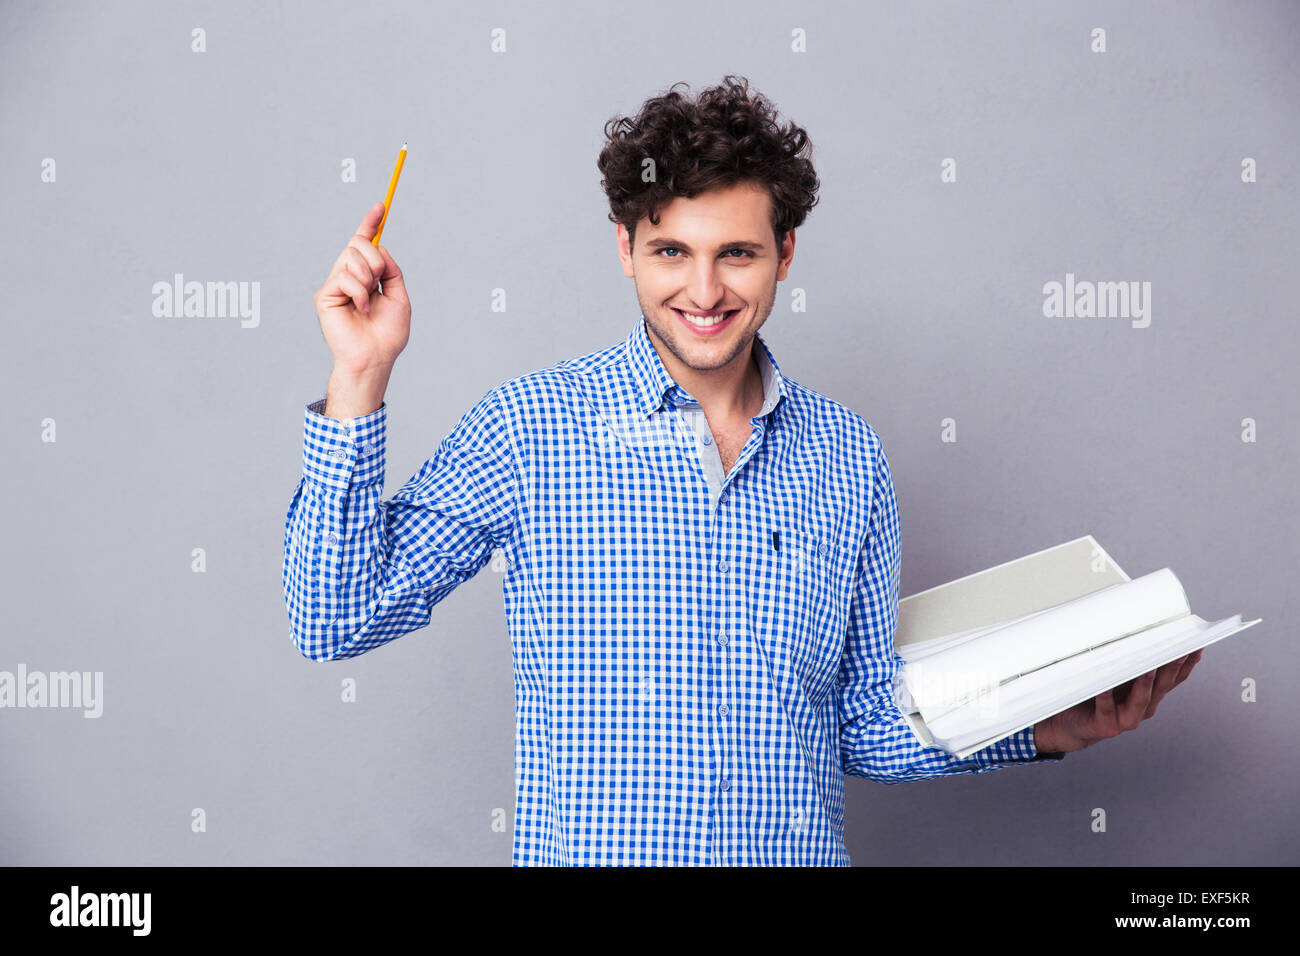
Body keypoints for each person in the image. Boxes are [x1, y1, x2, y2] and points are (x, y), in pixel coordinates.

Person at [282, 75, 1201, 866]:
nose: (706, 291)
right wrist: (360, 374)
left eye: (738, 253)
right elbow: (333, 616)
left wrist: (1040, 731)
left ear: (785, 254)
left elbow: (862, 726)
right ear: (624, 249)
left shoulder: (847, 459)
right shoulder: (532, 428)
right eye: (672, 252)